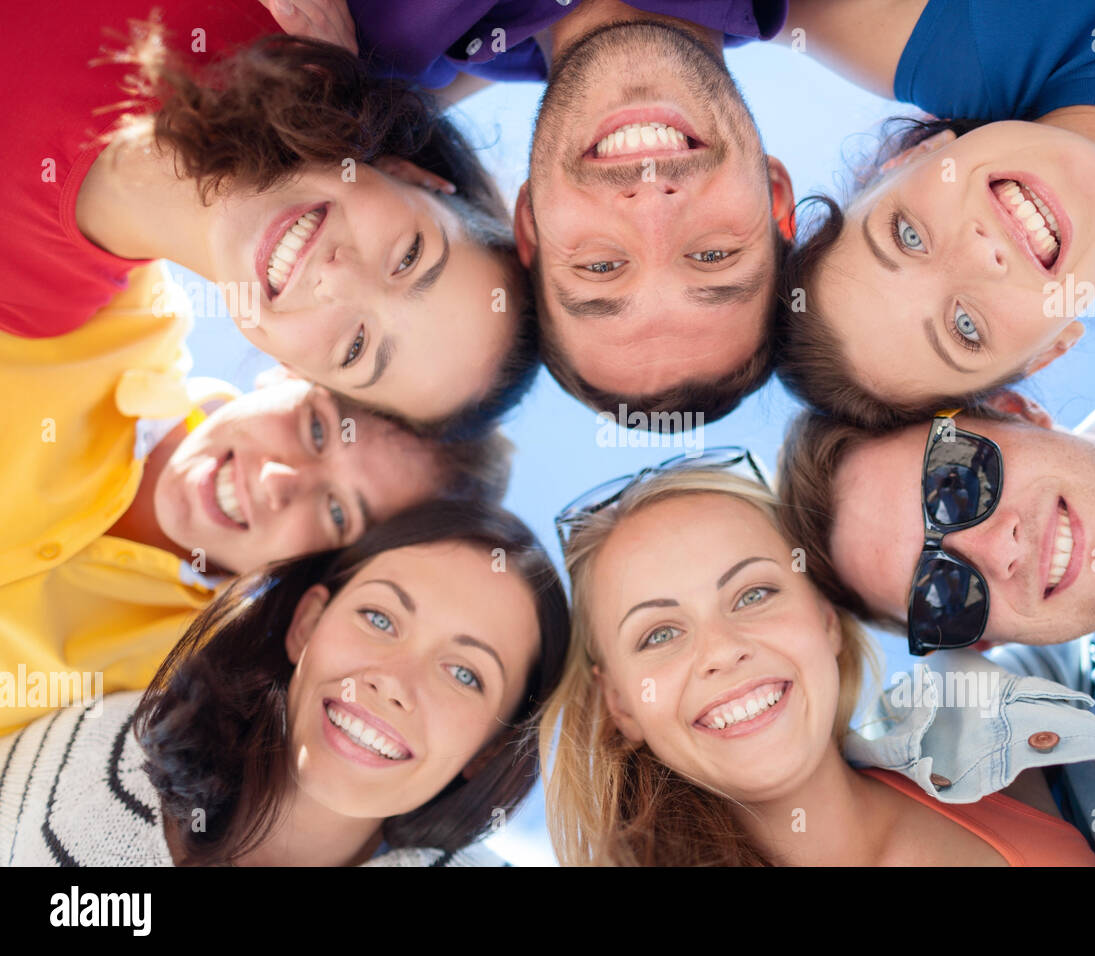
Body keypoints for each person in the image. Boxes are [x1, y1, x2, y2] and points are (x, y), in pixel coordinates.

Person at [778, 185, 1095, 861]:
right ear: (980, 643)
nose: (997, 547)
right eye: (944, 593)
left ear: (1015, 407)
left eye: (956, 484)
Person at [538, 455, 1095, 865]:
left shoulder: (988, 733)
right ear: (621, 705)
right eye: (659, 634)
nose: (723, 650)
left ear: (826, 621)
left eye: (754, 593)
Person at [1, 263, 511, 734]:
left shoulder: (174, 692)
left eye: (337, 512)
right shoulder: (115, 298)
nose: (275, 480)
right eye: (315, 428)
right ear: (287, 371)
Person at [2, 0, 535, 432]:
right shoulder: (286, 11)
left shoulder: (35, 303)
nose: (337, 276)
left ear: (292, 372)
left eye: (355, 348)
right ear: (415, 176)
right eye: (409, 257)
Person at [773, 0, 1095, 424]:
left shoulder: (967, 24)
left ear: (910, 159)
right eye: (964, 326)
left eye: (907, 236)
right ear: (1052, 350)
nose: (981, 252)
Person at [0, 500, 571, 866]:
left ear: (492, 747)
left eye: (465, 674)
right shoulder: (101, 752)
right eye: (378, 618)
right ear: (307, 625)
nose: (393, 683)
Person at [331, 0, 797, 423]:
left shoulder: (360, 47)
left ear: (531, 224)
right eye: (714, 256)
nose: (652, 204)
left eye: (602, 266)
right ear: (775, 199)